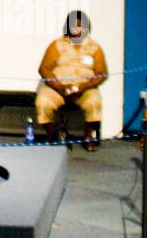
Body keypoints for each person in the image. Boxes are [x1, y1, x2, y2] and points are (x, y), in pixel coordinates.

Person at [36, 10, 107, 149]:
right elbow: (44, 69)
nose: (77, 30)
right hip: (58, 88)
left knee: (94, 101)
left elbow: (101, 72)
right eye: (74, 26)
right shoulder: (57, 45)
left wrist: (84, 86)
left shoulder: (95, 48)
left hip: (84, 89)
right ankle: (53, 134)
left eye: (81, 26)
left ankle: (88, 137)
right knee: (43, 102)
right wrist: (58, 86)